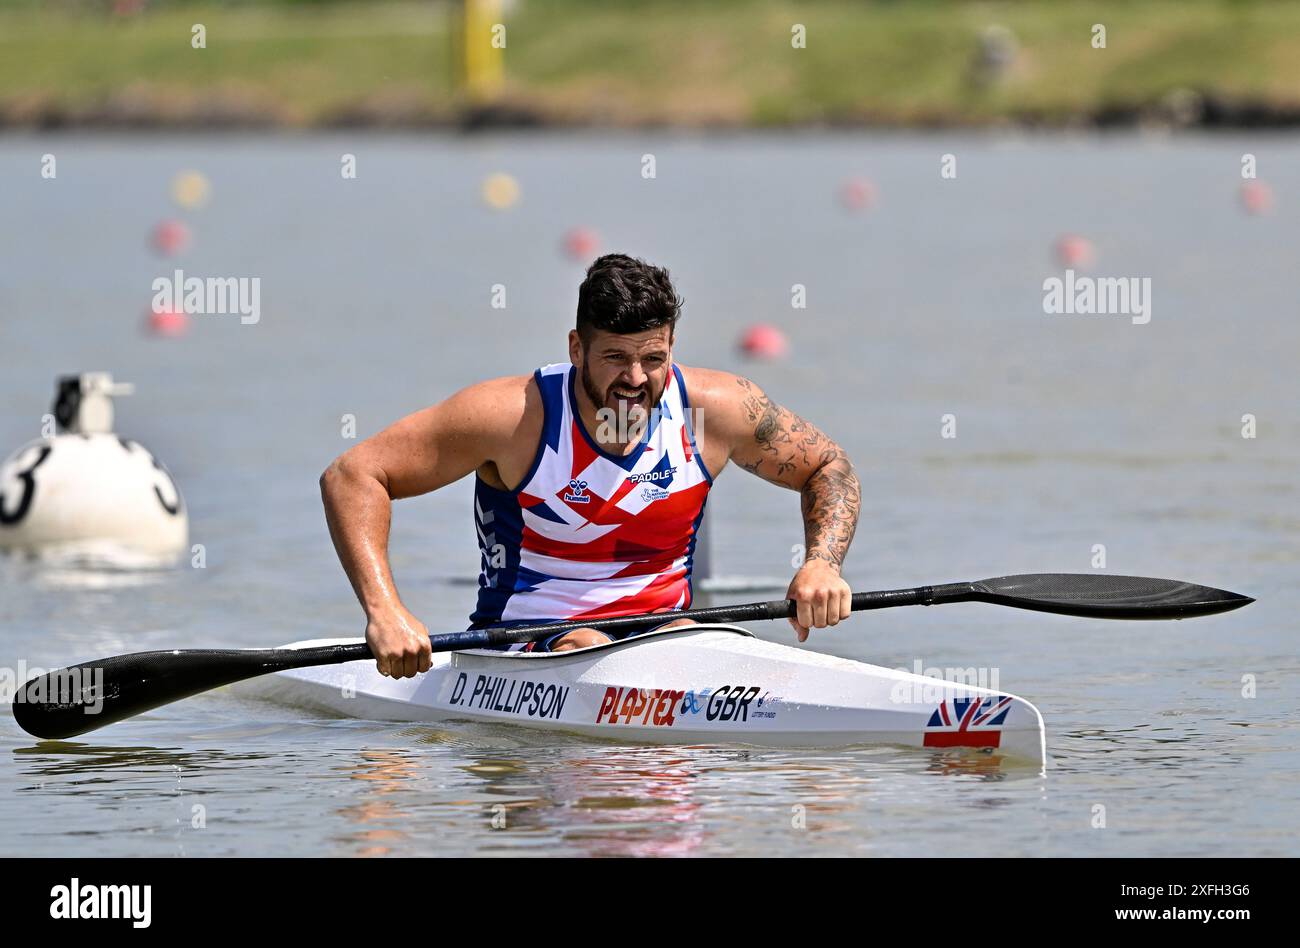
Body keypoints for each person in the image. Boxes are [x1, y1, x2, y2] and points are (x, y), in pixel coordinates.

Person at [321, 254, 861, 678]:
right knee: (591, 647)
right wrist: (385, 611)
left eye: (653, 358)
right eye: (615, 358)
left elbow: (828, 466)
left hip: (667, 632)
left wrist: (822, 564)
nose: (635, 378)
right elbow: (354, 475)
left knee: (709, 647)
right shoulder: (511, 417)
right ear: (576, 347)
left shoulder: (716, 409)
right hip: (530, 639)